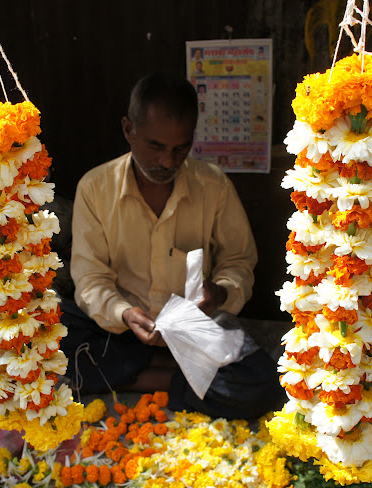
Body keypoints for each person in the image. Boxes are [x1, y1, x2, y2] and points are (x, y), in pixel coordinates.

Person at [62, 72, 284, 419]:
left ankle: (141, 374)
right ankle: (174, 376)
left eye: (180, 148)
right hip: (121, 329)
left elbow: (238, 261)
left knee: (262, 384)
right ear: (127, 129)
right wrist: (123, 312)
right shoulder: (95, 187)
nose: (167, 162)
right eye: (155, 146)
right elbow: (90, 278)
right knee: (51, 337)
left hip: (193, 329)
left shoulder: (213, 185)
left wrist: (221, 293)